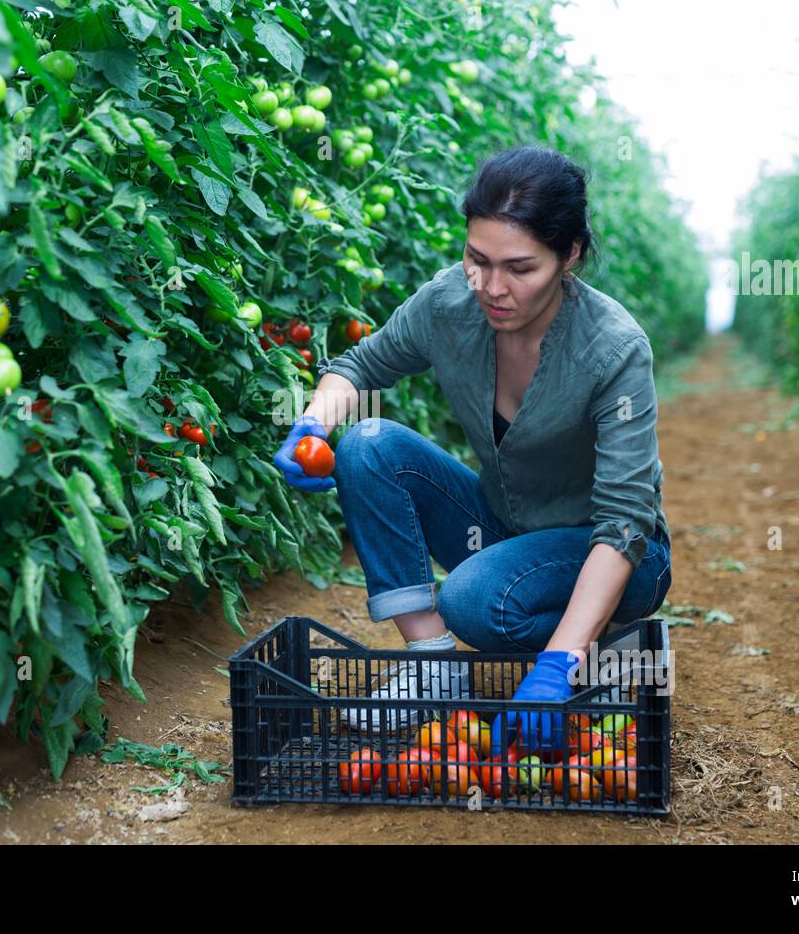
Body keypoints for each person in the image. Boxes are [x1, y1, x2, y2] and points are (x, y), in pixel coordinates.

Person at [272, 146, 672, 755]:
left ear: (570, 257)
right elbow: (359, 366)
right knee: (368, 445)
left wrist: (555, 666)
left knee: (473, 601)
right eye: (477, 260)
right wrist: (310, 426)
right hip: (503, 530)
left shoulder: (613, 351)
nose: (492, 287)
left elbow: (623, 524)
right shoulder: (448, 305)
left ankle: (600, 646)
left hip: (614, 555)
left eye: (520, 268)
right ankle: (434, 667)